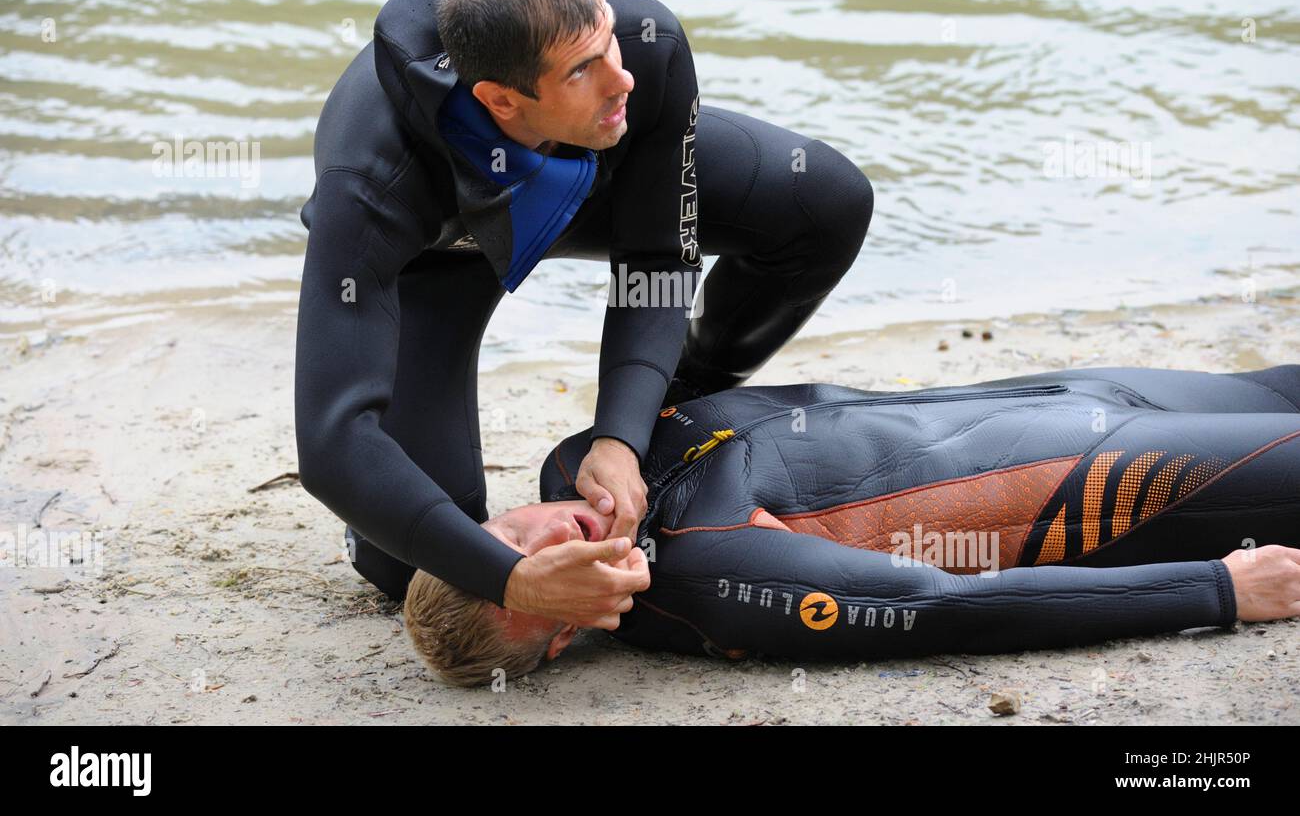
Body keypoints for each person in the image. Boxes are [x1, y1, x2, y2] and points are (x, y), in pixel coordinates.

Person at [294, 0, 874, 623]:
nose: (619, 78)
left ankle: (670, 412)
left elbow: (656, 261)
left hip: (592, 173)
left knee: (823, 201)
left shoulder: (641, 49)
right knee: (412, 568)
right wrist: (514, 579)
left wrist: (620, 436)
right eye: (581, 69)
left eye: (607, 43)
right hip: (441, 248)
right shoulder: (367, 181)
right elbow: (333, 443)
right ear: (500, 100)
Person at [403, 363, 1300, 686]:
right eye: (536, 574)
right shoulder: (716, 584)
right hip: (1130, 480)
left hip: (1074, 390)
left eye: (511, 535)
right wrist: (1217, 589)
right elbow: (947, 606)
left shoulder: (582, 458)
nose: (550, 537)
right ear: (565, 638)